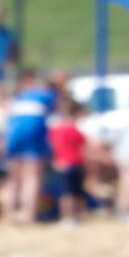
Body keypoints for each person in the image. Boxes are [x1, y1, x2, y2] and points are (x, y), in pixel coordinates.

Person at [0, 68, 55, 222]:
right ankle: (28, 214)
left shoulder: (19, 97)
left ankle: (8, 214)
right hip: (33, 132)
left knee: (13, 178)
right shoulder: (46, 95)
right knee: (32, 176)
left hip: (12, 134)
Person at [45, 91, 89, 225]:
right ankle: (76, 216)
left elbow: (52, 146)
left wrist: (54, 160)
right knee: (75, 192)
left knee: (67, 193)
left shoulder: (56, 129)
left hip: (64, 163)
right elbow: (84, 146)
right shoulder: (76, 128)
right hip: (76, 162)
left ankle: (68, 217)